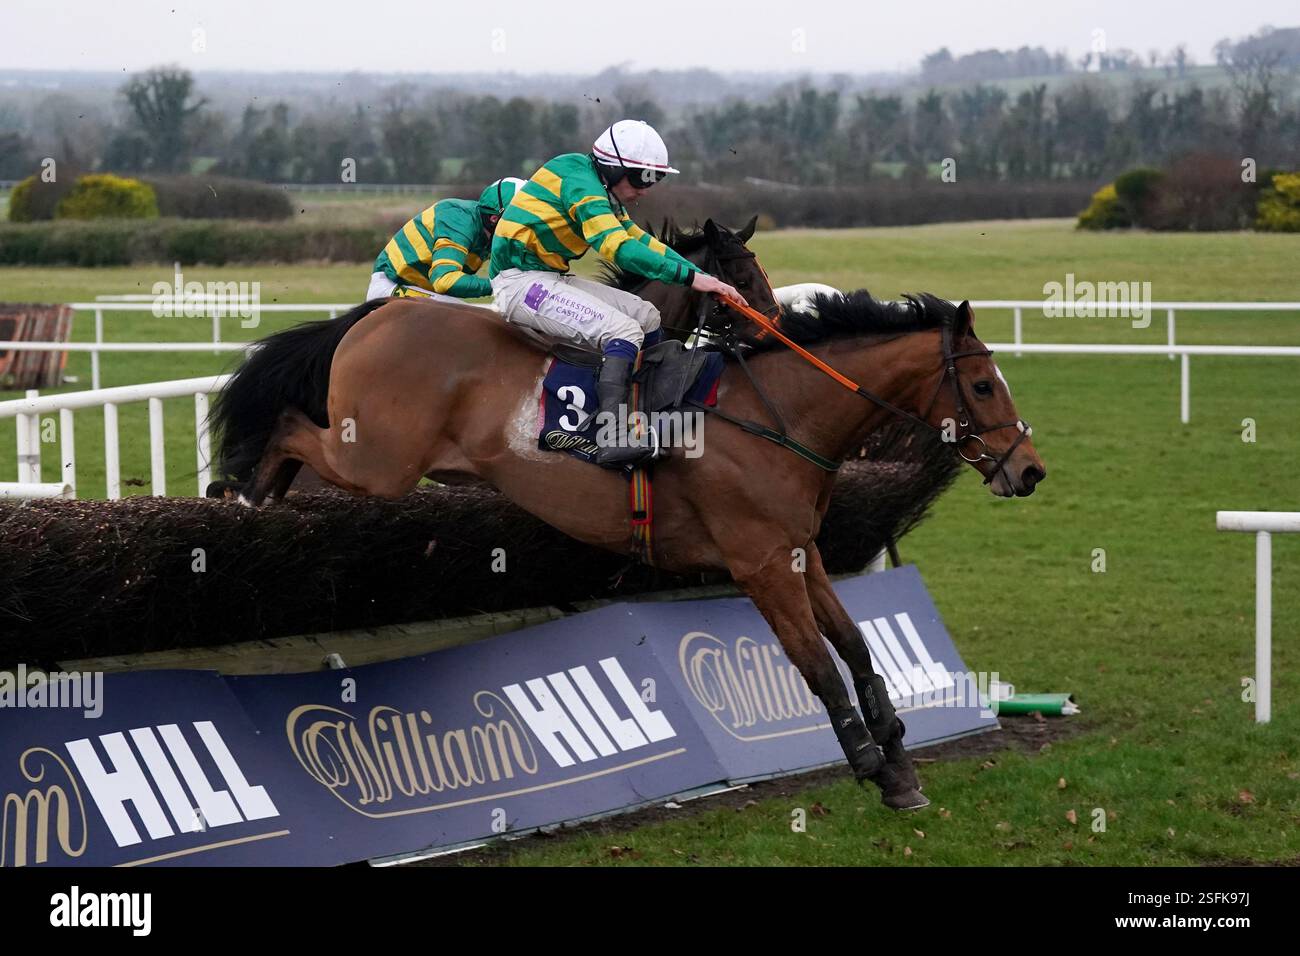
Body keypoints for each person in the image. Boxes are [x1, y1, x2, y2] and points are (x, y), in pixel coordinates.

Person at [490, 120, 745, 467]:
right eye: (642, 178)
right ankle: (612, 438)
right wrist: (689, 278)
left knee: (647, 315)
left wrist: (703, 277)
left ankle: (651, 413)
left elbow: (641, 241)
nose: (647, 189)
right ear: (612, 167)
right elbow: (615, 247)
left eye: (656, 179)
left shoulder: (601, 188)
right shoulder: (579, 181)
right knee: (623, 330)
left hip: (547, 276)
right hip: (519, 284)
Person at [365, 177, 527, 301]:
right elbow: (445, 280)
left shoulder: (489, 234)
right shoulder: (459, 219)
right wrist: (498, 286)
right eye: (517, 220)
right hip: (392, 286)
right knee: (466, 320)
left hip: (422, 289)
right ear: (494, 218)